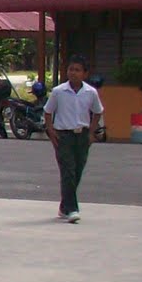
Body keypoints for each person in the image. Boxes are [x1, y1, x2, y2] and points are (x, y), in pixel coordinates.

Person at [43, 54, 105, 223]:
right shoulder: (58, 91)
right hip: (64, 135)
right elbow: (48, 111)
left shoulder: (90, 92)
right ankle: (72, 209)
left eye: (77, 70)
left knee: (77, 171)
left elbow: (97, 112)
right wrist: (51, 131)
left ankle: (64, 205)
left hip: (82, 135)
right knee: (68, 171)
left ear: (85, 74)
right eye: (71, 69)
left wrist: (92, 132)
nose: (73, 73)